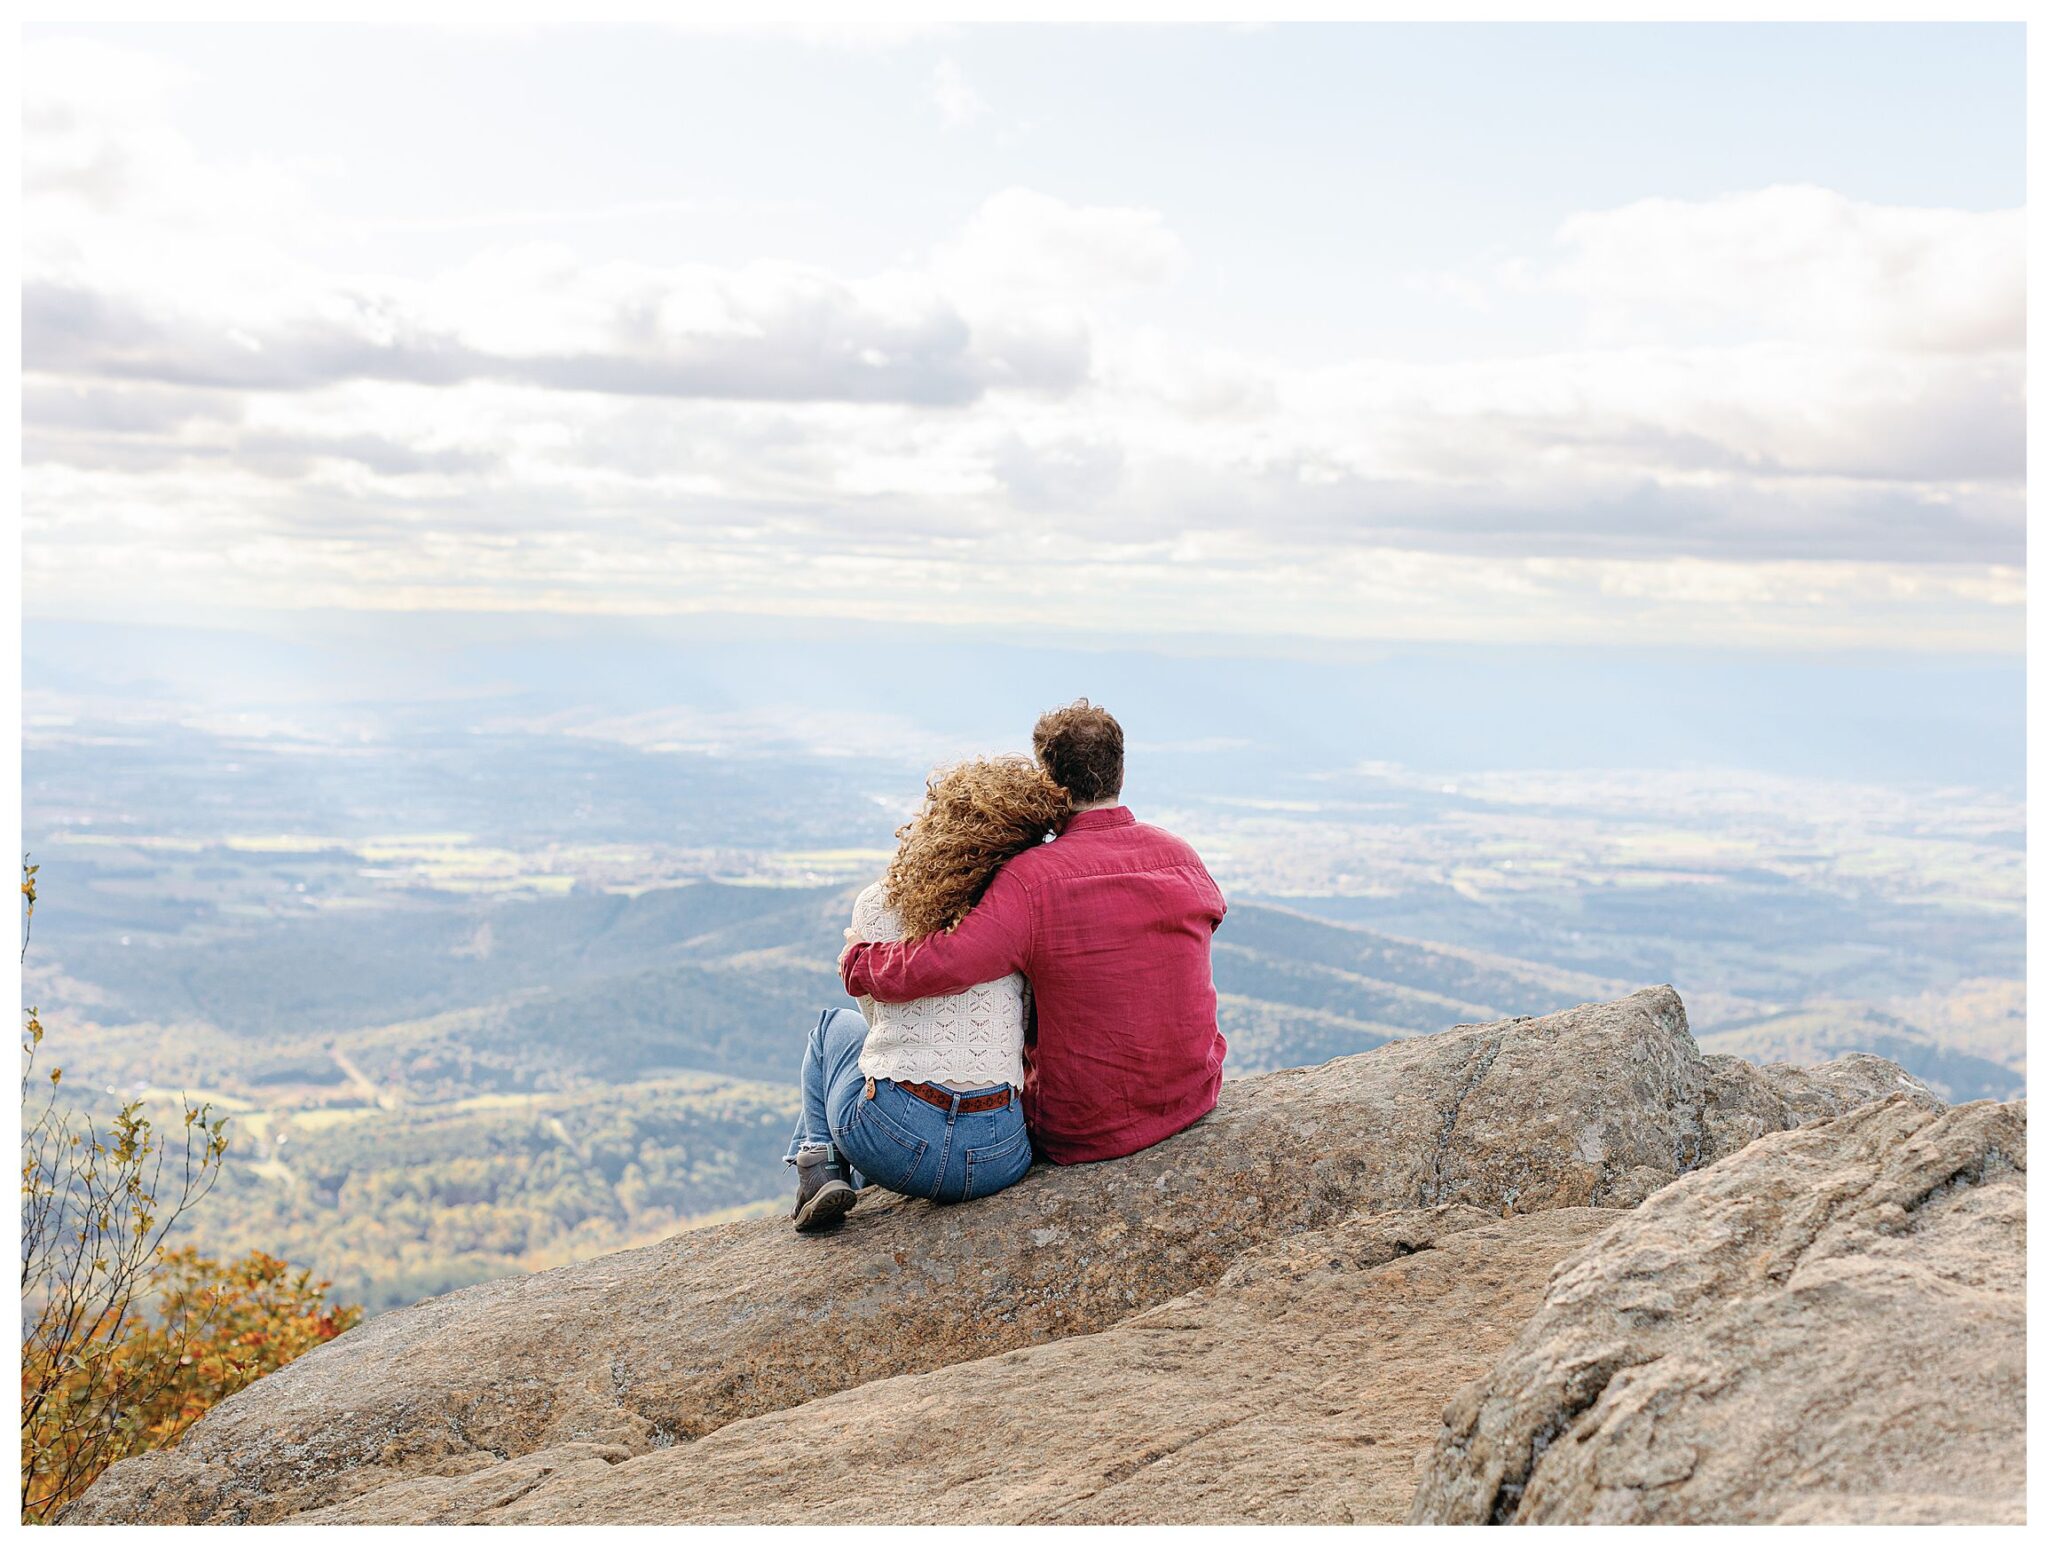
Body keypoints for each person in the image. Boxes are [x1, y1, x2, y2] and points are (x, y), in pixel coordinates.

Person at [841, 700, 1228, 1167]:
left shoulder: (1032, 882)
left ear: (1048, 781)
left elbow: (949, 961)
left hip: (1087, 1129)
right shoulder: (1180, 855)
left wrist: (862, 963)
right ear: (1120, 773)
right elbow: (1211, 916)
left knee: (838, 1043)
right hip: (1193, 1094)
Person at [784, 755, 1066, 1232]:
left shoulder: (879, 902)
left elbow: (876, 1032)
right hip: (997, 1154)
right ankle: (826, 1162)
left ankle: (824, 1165)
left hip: (894, 1142)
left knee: (833, 1027)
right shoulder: (1018, 914)